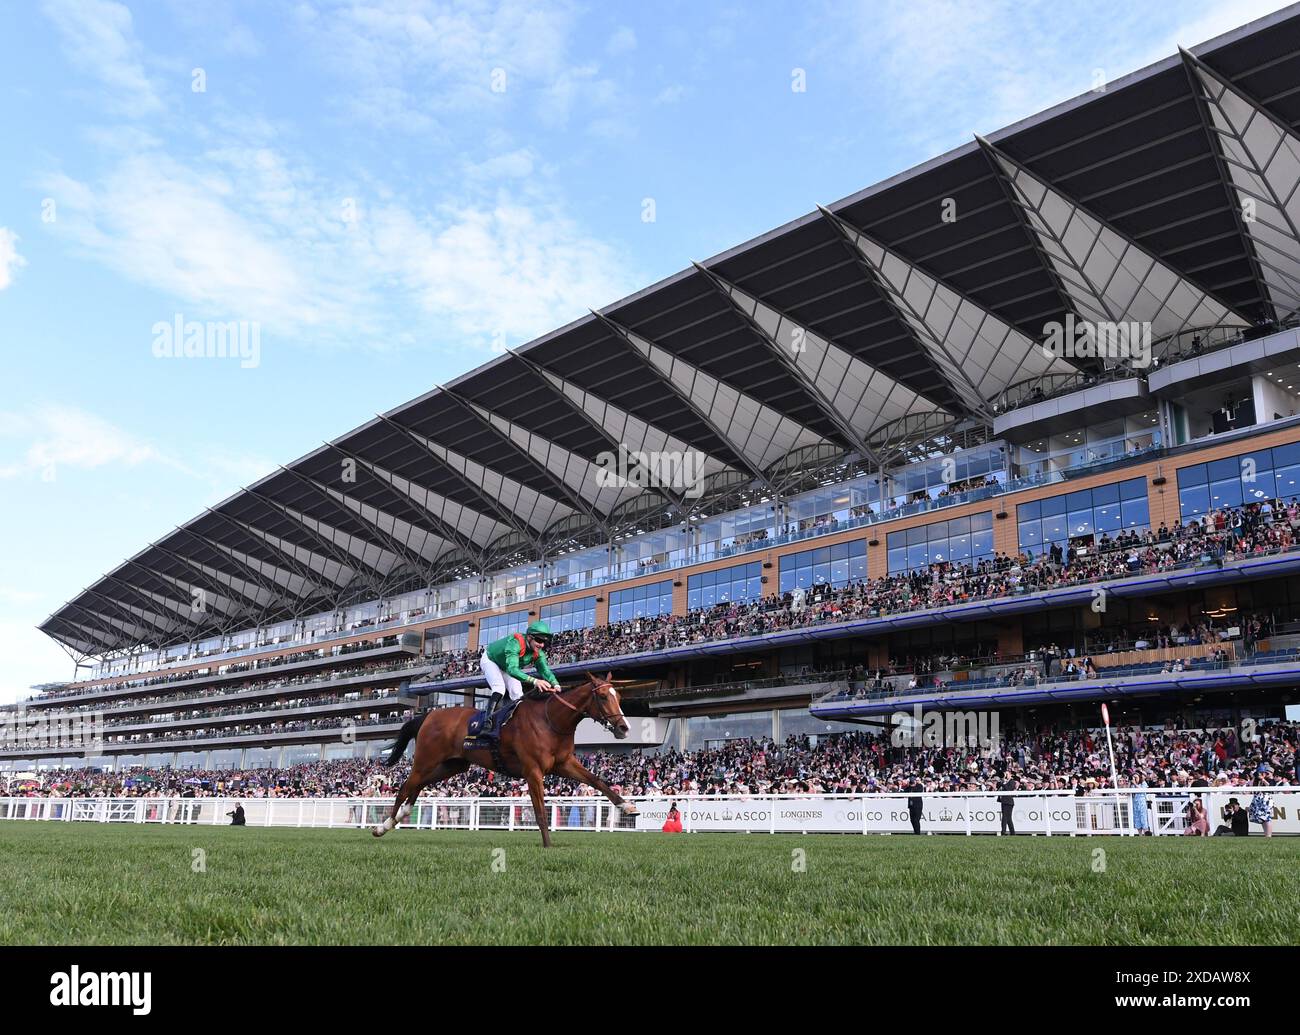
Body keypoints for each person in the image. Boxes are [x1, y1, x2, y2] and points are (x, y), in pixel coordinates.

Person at [478, 619, 560, 727]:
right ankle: (486, 721)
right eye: (539, 640)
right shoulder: (515, 643)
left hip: (506, 666)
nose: (541, 645)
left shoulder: (538, 653)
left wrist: (555, 683)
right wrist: (535, 681)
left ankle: (516, 722)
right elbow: (512, 670)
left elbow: (544, 670)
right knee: (499, 688)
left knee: (518, 693)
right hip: (491, 660)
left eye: (544, 642)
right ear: (529, 637)